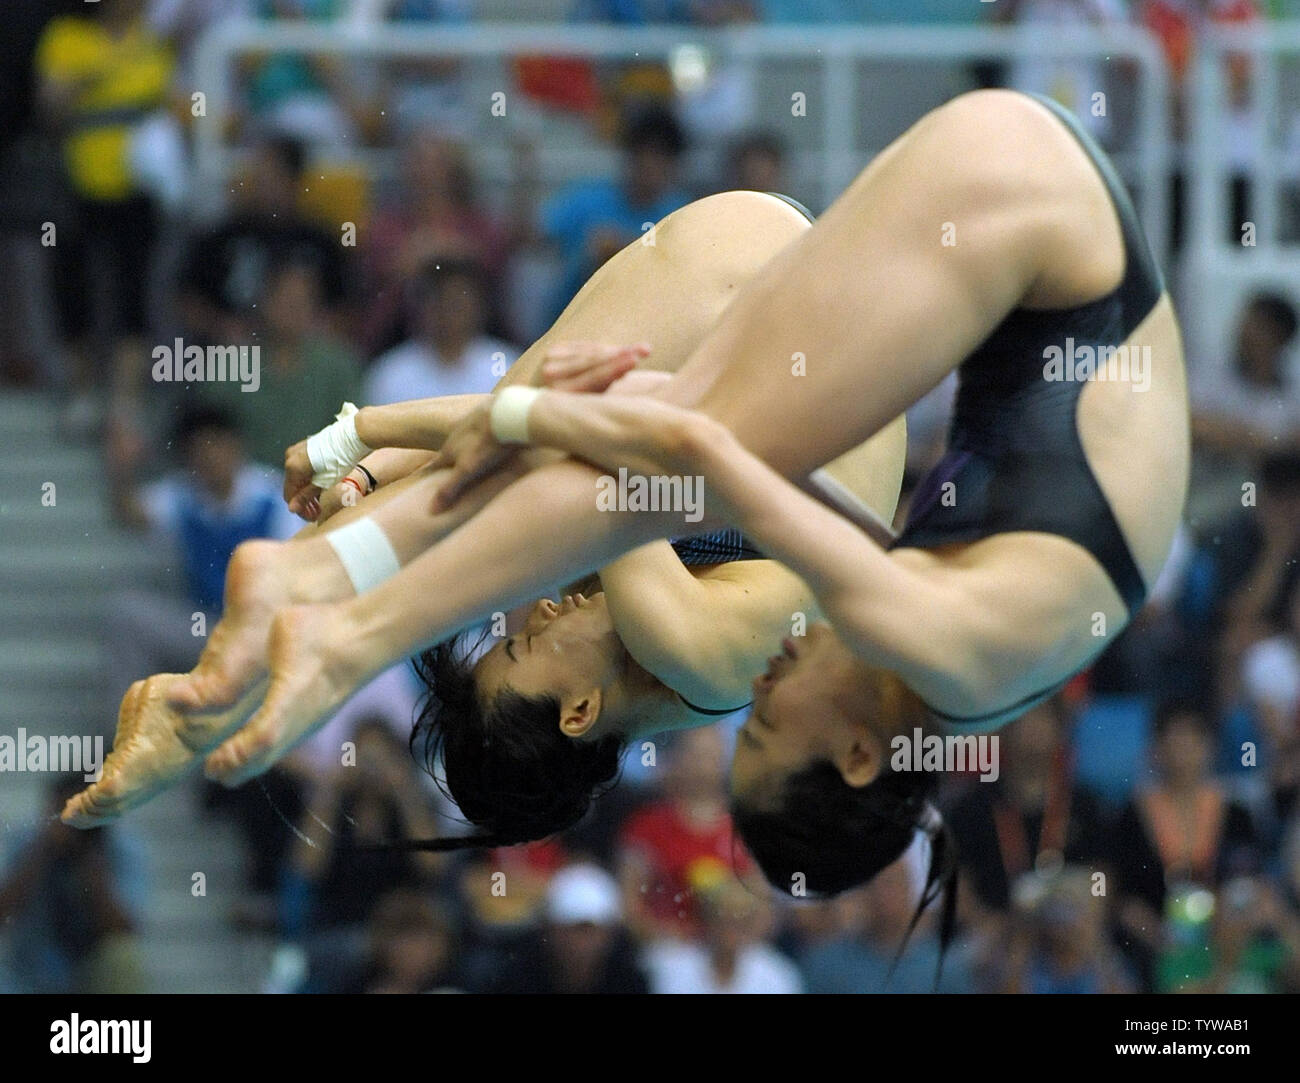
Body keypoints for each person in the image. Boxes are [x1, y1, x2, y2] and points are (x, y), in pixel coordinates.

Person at [75, 92, 1187, 938]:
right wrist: (400, 433)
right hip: (1037, 222)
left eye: (742, 732)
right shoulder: (919, 648)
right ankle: (335, 615)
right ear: (857, 752)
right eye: (766, 731)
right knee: (626, 471)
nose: (753, 702)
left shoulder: (917, 656)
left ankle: (318, 595)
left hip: (1007, 235)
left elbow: (647, 436)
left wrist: (391, 440)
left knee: (597, 466)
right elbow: (677, 443)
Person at [67, 186, 905, 831]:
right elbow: (575, 442)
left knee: (516, 486)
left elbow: (541, 446)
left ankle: (284, 616)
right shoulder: (692, 650)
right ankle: (261, 645)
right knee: (539, 472)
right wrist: (363, 431)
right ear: (580, 712)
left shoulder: (657, 642)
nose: (534, 614)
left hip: (780, 305)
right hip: (787, 282)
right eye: (526, 645)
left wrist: (371, 471)